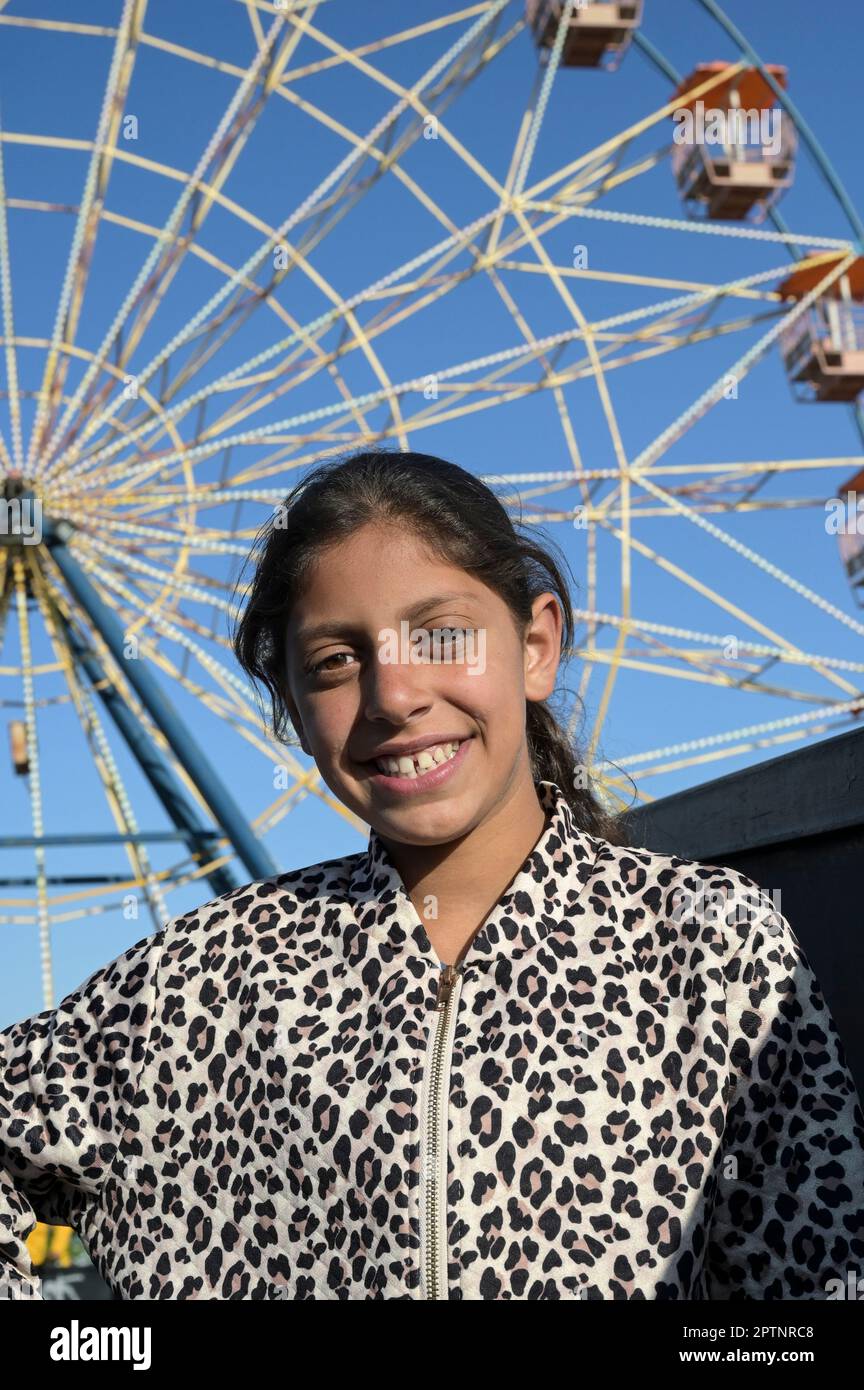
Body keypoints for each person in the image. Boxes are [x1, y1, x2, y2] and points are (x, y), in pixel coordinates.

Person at [1, 447, 862, 1300]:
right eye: (335, 661)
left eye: (440, 635)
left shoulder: (707, 946)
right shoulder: (204, 982)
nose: (393, 694)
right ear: (293, 710)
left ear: (536, 645)